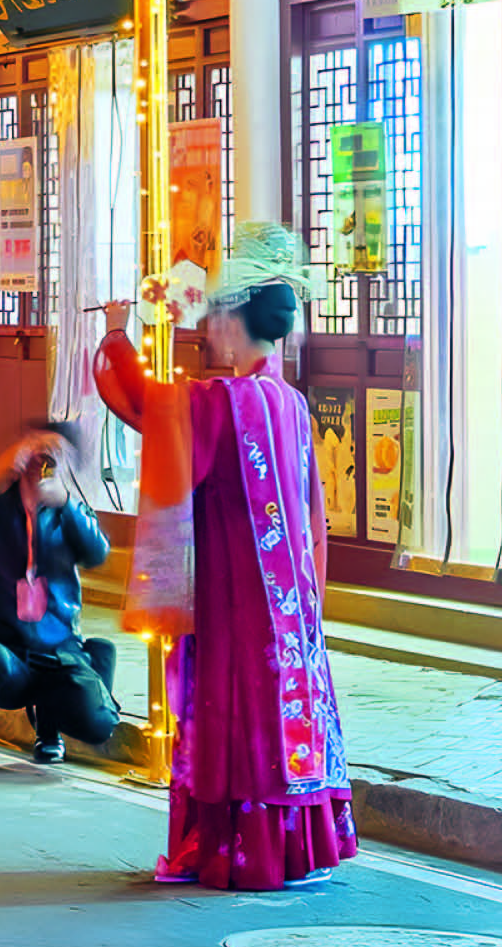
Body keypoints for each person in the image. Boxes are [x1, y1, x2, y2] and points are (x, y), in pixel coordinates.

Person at [95, 219, 356, 892]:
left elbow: (147, 408)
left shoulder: (224, 403)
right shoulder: (290, 403)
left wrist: (120, 336)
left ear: (236, 319)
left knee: (232, 711)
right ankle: (295, 849)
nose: (207, 330)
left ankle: (242, 852)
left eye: (213, 317)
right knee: (283, 713)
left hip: (236, 595)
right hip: (290, 605)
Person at [0, 420, 120, 773]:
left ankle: (49, 732)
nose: (41, 462)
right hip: (6, 648)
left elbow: (97, 553)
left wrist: (66, 503)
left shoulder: (69, 511)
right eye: (36, 452)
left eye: (53, 455)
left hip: (60, 651)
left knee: (98, 722)